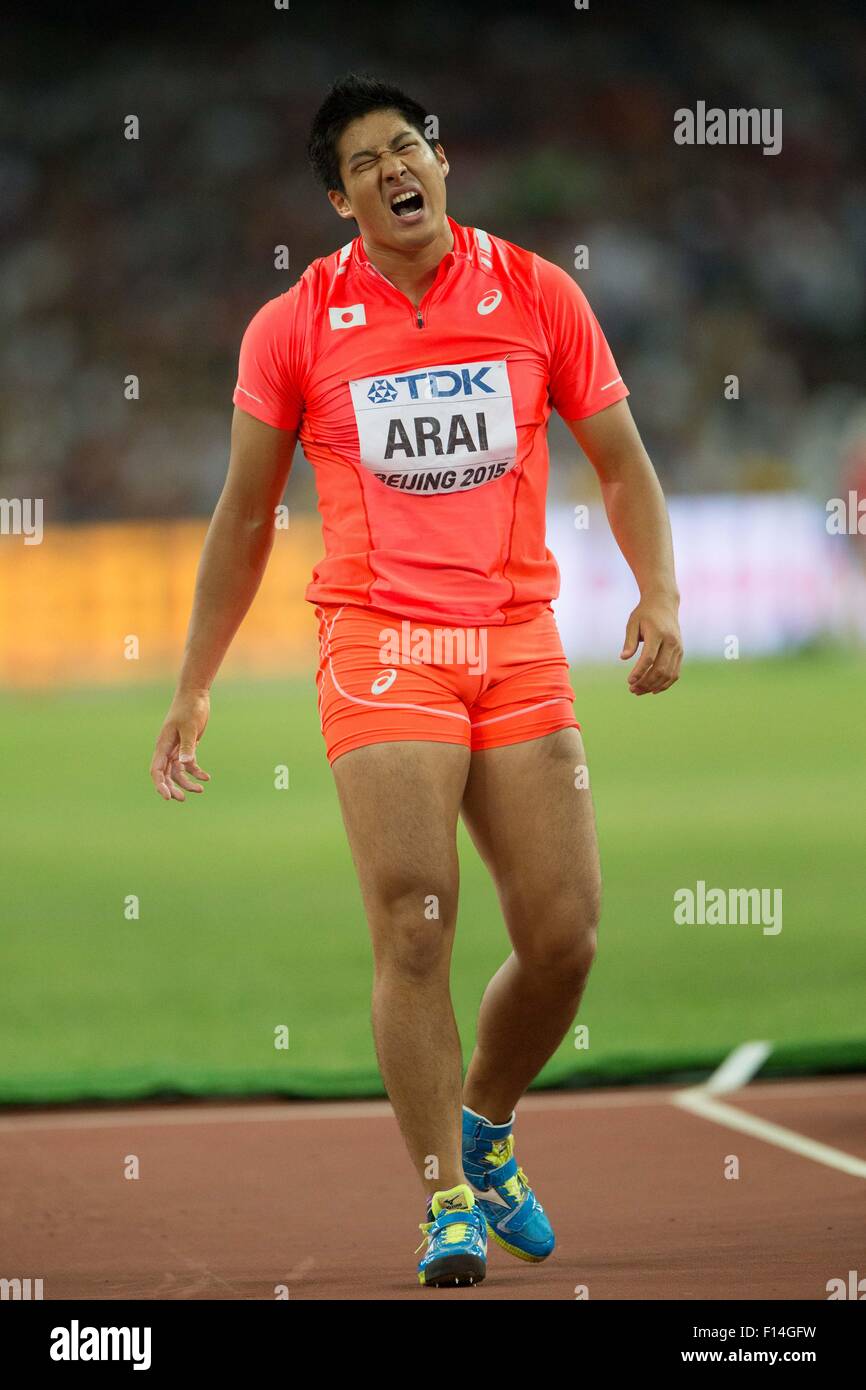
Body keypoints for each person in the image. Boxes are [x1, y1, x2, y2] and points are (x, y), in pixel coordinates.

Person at [150, 73, 683, 1289]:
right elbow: (242, 520)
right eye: (368, 162)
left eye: (411, 146)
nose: (399, 169)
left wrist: (657, 593)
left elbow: (621, 462)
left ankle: (486, 1121)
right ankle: (443, 1193)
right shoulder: (292, 325)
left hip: (514, 639)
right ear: (341, 199)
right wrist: (193, 682)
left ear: (438, 161)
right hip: (382, 644)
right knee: (413, 919)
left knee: (563, 937)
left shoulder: (537, 291)